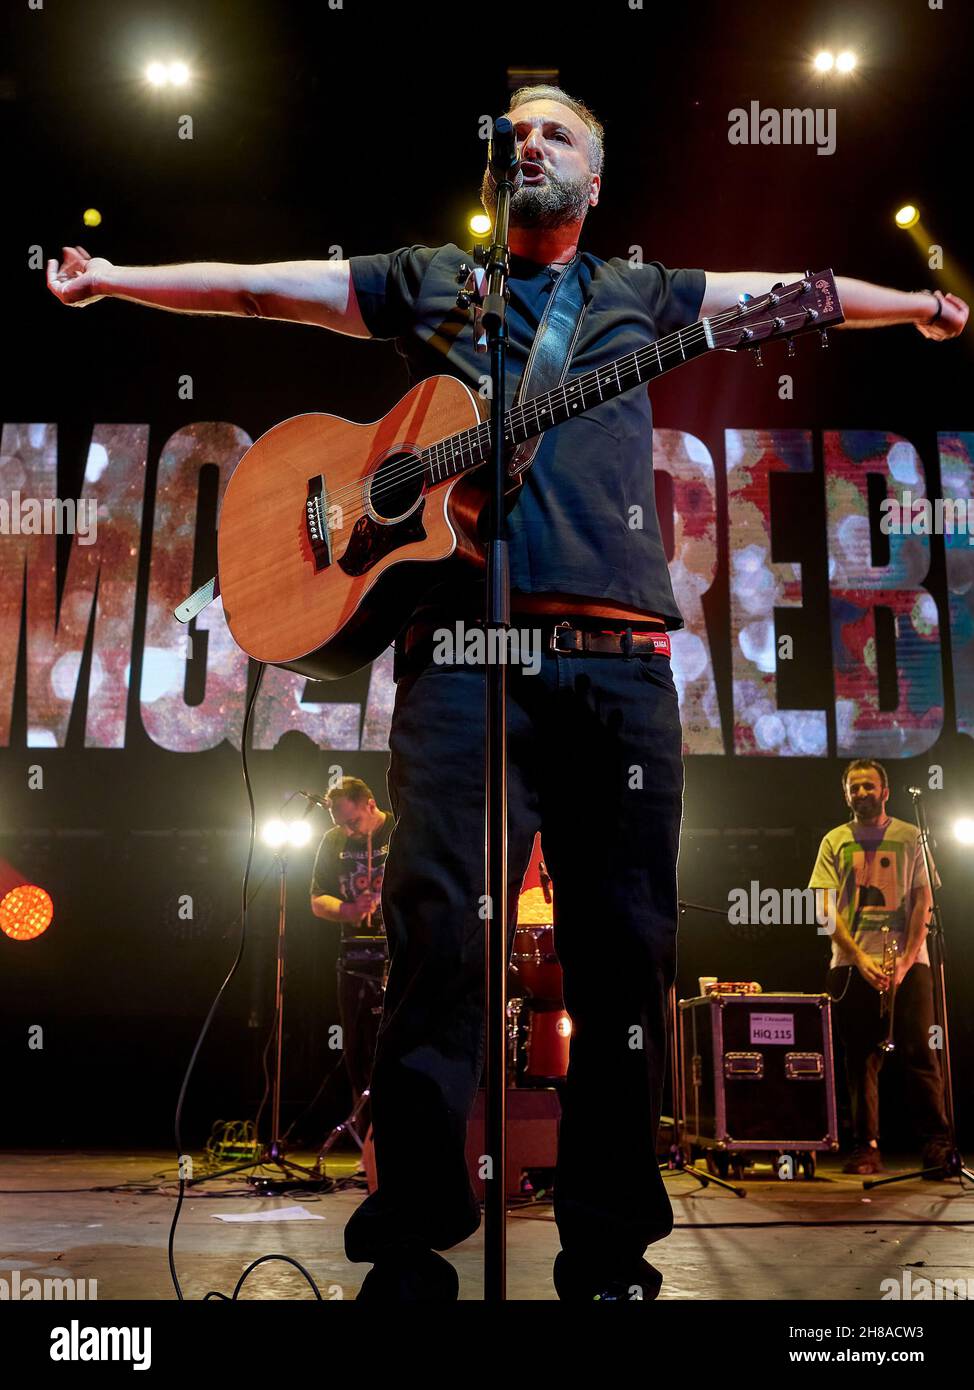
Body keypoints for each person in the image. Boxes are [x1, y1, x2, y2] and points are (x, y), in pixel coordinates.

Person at [48, 84, 968, 1300]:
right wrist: (117, 277)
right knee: (436, 943)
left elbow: (784, 291)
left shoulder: (639, 296)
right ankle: (415, 1238)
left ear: (595, 182)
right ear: (492, 171)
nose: (529, 142)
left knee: (624, 963)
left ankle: (605, 1250)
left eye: (560, 133)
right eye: (515, 130)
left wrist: (910, 308)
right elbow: (269, 286)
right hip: (463, 667)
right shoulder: (434, 283)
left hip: (623, 671)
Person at [808, 759, 951, 1177]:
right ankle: (865, 1147)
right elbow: (824, 910)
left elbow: (924, 903)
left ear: (884, 791)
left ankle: (938, 1147)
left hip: (911, 964)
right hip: (851, 967)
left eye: (869, 786)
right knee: (860, 1060)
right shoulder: (834, 840)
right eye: (854, 787)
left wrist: (906, 961)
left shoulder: (912, 836)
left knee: (922, 1053)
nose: (862, 793)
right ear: (846, 793)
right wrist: (859, 958)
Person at [310, 778, 394, 1112]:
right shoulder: (333, 841)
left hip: (399, 953)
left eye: (353, 821)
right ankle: (365, 1139)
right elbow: (317, 901)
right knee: (358, 1049)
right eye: (340, 824)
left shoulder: (399, 832)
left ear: (370, 804)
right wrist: (348, 909)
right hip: (354, 958)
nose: (347, 830)